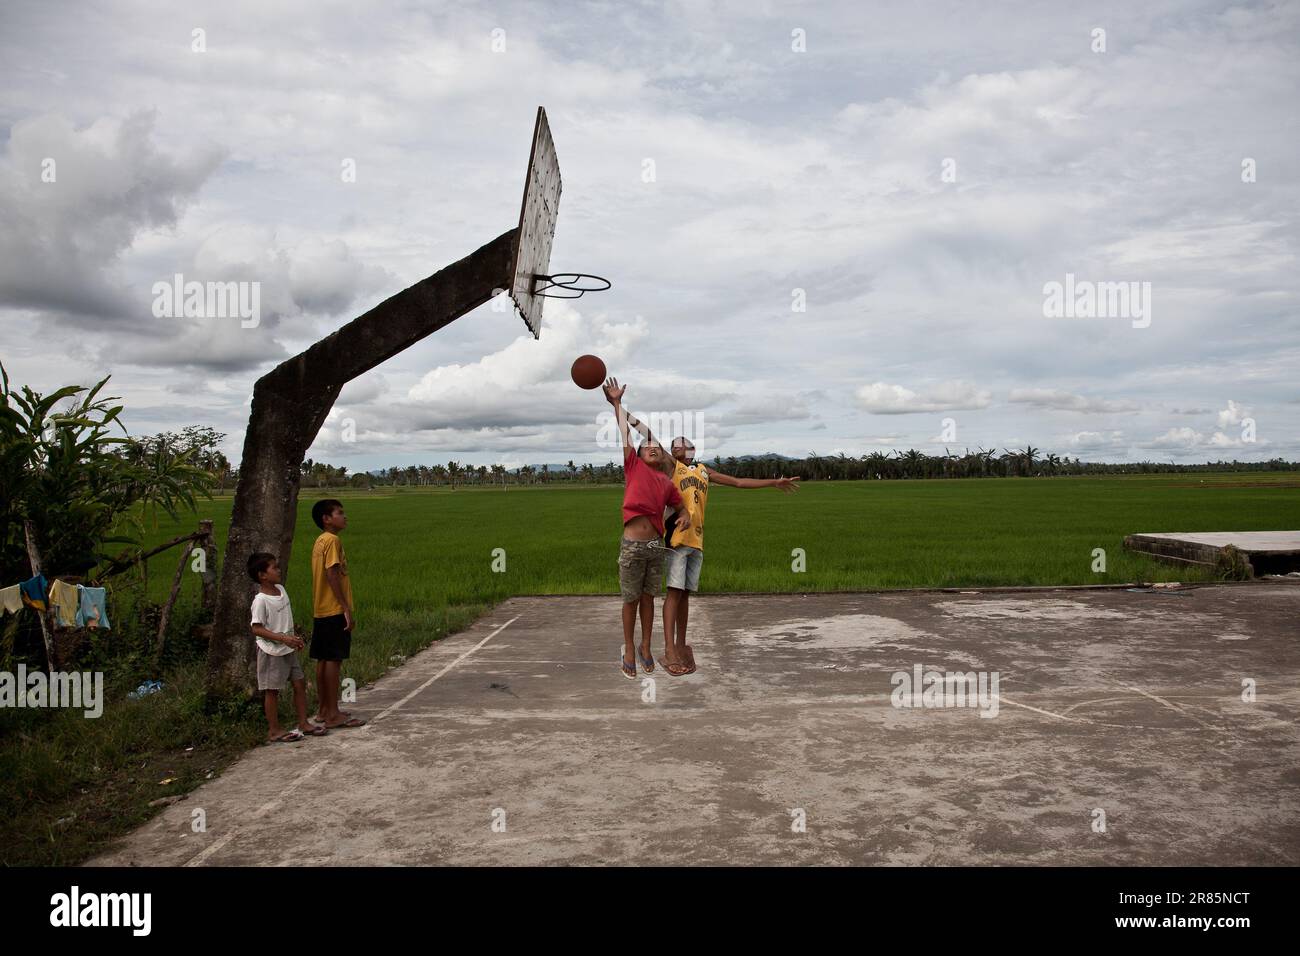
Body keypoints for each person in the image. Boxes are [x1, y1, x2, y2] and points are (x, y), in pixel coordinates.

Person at [622, 418, 799, 675]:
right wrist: (626, 414)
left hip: (696, 540)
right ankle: (669, 649)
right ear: (671, 453)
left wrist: (773, 483)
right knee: (673, 592)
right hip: (676, 538)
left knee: (684, 595)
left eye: (685, 442)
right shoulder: (673, 469)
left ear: (693, 448)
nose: (680, 444)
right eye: (675, 444)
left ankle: (681, 646)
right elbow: (648, 435)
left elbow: (738, 482)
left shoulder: (703, 471)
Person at [602, 378, 690, 680]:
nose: (651, 447)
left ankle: (646, 646)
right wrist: (616, 404)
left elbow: (682, 507)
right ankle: (628, 647)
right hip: (632, 546)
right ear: (637, 457)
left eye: (655, 446)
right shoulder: (633, 467)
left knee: (649, 599)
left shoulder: (666, 483)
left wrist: (686, 517)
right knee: (630, 599)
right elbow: (627, 433)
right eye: (646, 446)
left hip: (655, 547)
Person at [247, 552, 326, 742]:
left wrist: (292, 638)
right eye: (274, 567)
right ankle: (274, 730)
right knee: (272, 690)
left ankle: (303, 722)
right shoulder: (260, 600)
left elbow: (284, 619)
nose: (278, 570)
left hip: (288, 648)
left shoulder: (281, 589)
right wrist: (282, 638)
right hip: (271, 651)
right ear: (262, 575)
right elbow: (256, 628)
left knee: (299, 683)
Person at [309, 499, 365, 728]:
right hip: (333, 609)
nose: (345, 517)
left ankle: (324, 710)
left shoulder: (320, 541)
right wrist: (345, 607)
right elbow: (332, 574)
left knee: (323, 659)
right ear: (326, 519)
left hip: (320, 608)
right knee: (334, 659)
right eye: (339, 513)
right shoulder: (332, 541)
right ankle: (333, 713)